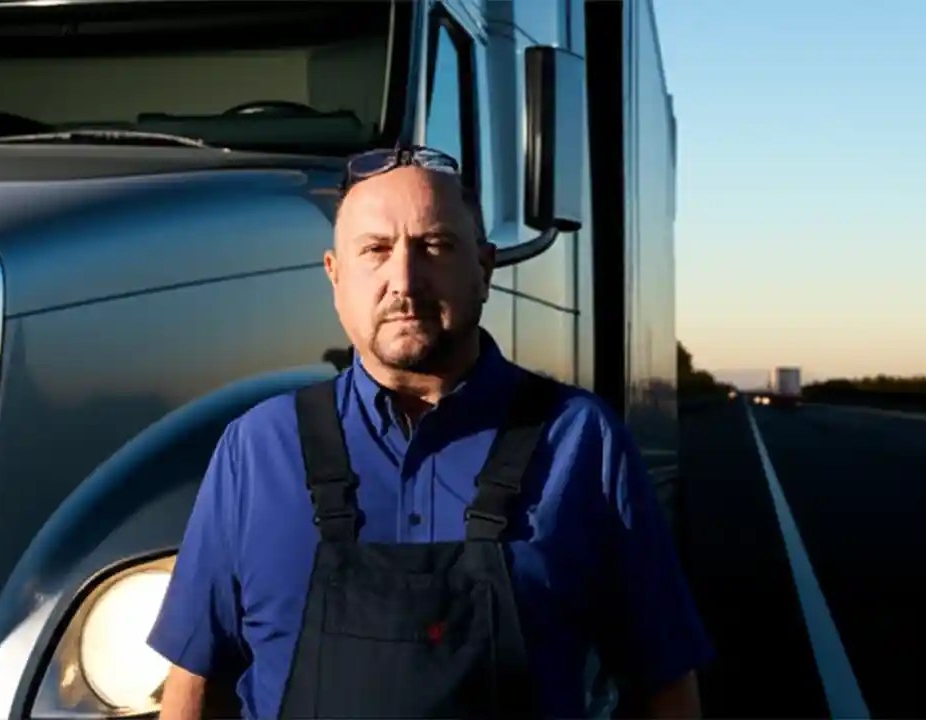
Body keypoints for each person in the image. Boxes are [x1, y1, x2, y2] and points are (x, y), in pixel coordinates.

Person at [148, 145, 714, 719]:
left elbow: (664, 684)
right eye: (375, 250)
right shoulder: (257, 448)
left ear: (485, 268)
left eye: (434, 247)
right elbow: (195, 686)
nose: (405, 280)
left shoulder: (582, 442)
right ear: (335, 276)